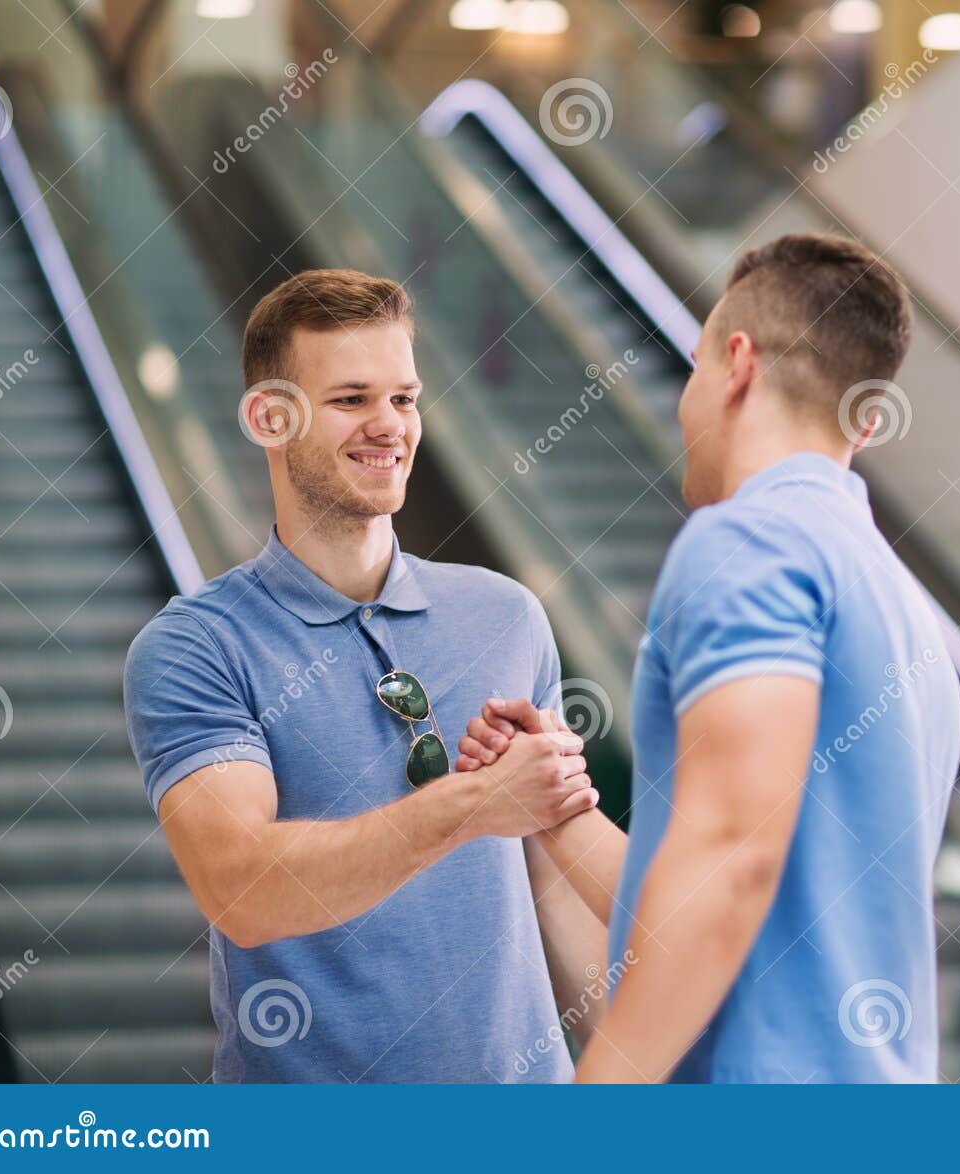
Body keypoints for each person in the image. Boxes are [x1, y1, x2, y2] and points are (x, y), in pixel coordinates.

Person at [457, 233, 960, 1083]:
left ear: (736, 364)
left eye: (691, 369)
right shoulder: (902, 606)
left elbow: (730, 856)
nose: (685, 401)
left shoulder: (750, 541)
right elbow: (716, 916)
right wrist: (558, 816)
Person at [122, 269, 608, 1082]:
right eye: (352, 399)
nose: (390, 426)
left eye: (405, 398)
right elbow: (244, 890)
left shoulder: (507, 616)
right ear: (270, 417)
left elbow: (545, 884)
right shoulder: (197, 649)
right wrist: (475, 804)